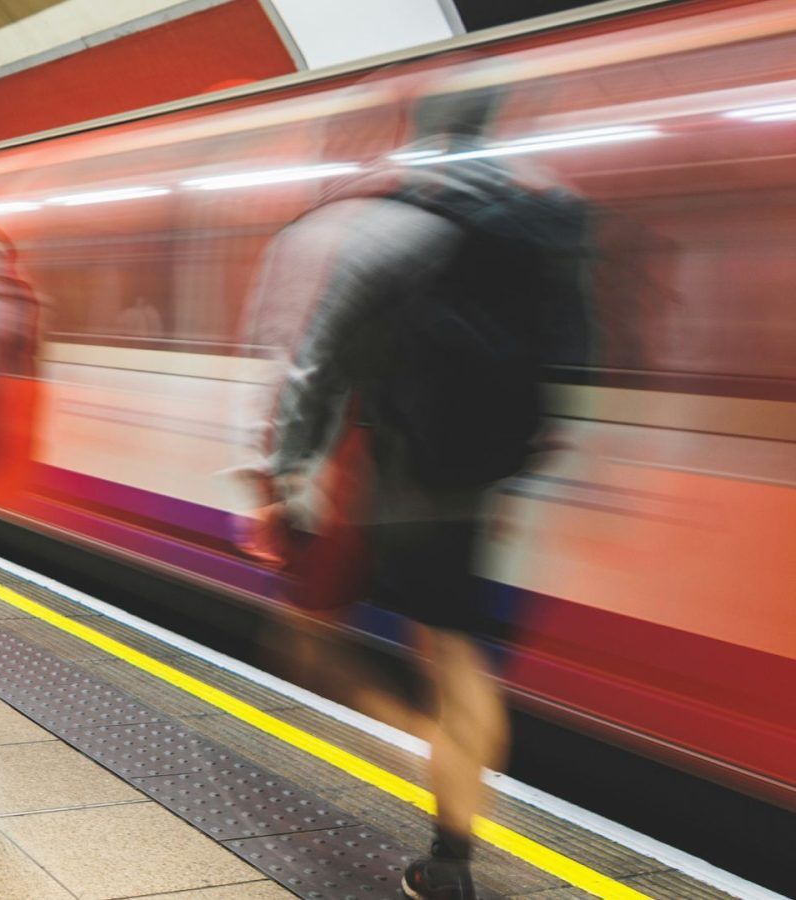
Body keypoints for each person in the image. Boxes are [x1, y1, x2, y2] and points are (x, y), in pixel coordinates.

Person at [240, 86, 588, 900]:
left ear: (421, 137)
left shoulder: (391, 228)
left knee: (315, 644)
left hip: (401, 476)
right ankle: (452, 854)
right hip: (485, 479)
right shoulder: (543, 223)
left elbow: (319, 364)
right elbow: (570, 357)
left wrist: (284, 473)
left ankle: (426, 760)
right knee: (461, 657)